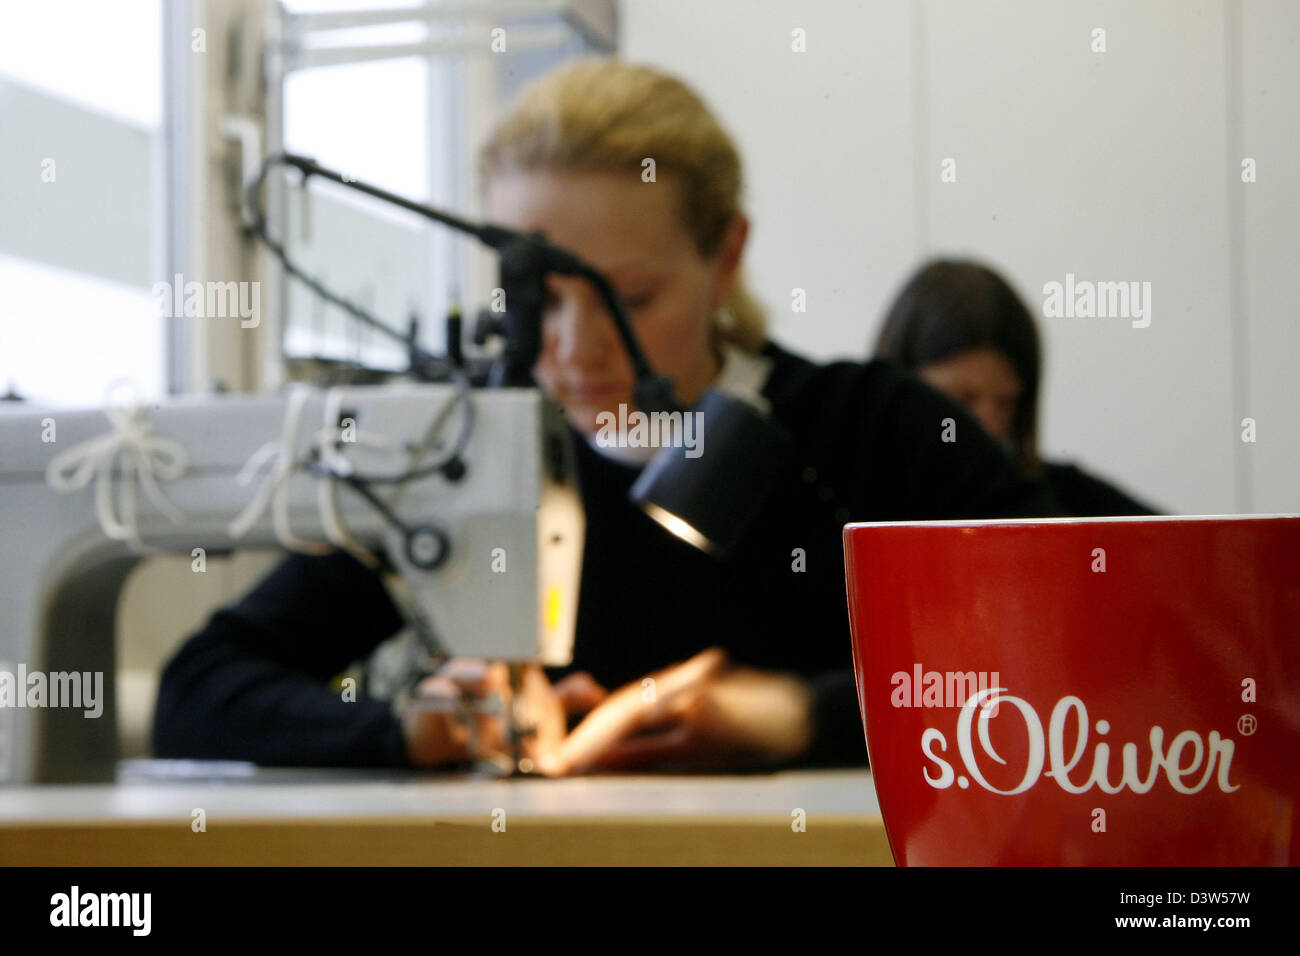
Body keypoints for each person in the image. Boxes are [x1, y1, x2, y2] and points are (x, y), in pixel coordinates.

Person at [153, 58, 1060, 776]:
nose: (577, 350)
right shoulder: (449, 455)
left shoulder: (870, 431)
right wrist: (411, 729)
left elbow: (1069, 656)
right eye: (537, 301)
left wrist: (794, 714)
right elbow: (199, 691)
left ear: (727, 254)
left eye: (628, 296)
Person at [873, 259, 1160, 517]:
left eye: (1006, 403)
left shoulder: (1066, 502)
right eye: (959, 402)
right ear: (896, 391)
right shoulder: (848, 509)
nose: (990, 427)